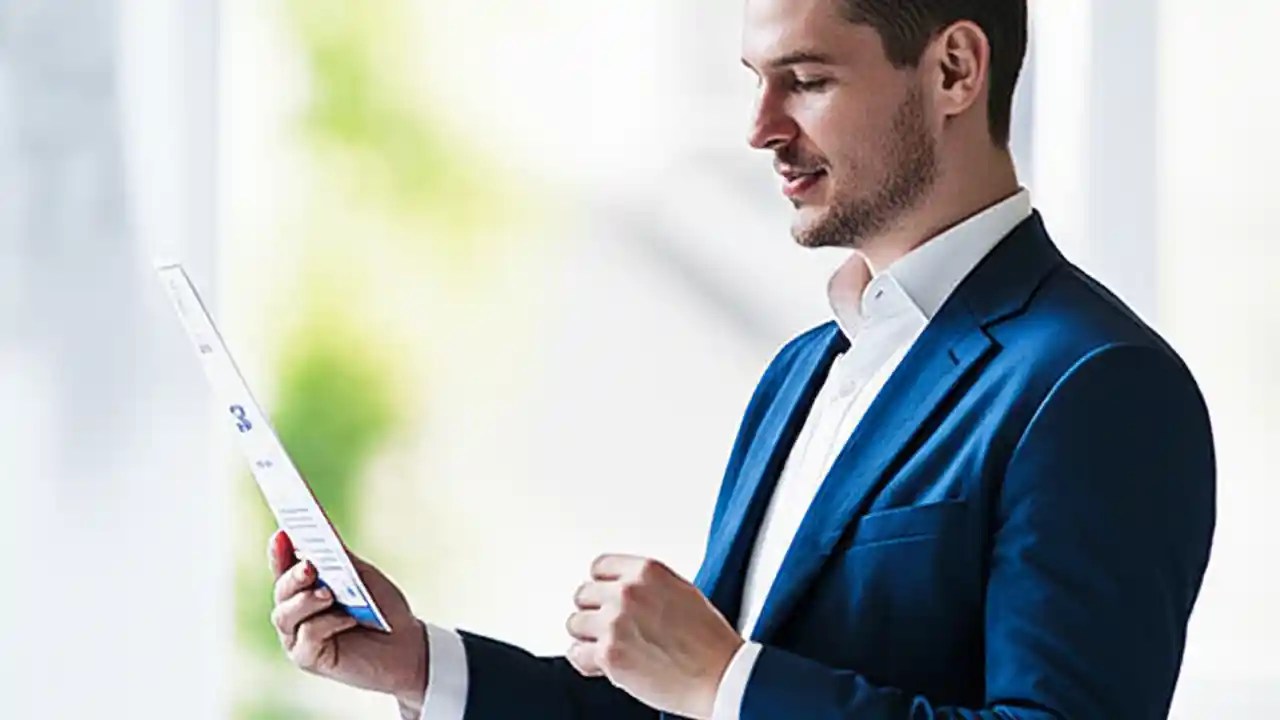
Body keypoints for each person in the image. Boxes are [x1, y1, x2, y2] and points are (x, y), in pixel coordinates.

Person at [266, 0, 1216, 717]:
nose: (760, 127)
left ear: (955, 70)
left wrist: (728, 679)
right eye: (755, 79)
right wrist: (422, 665)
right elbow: (687, 707)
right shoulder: (804, 372)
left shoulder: (1099, 386)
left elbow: (721, 691)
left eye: (806, 80)